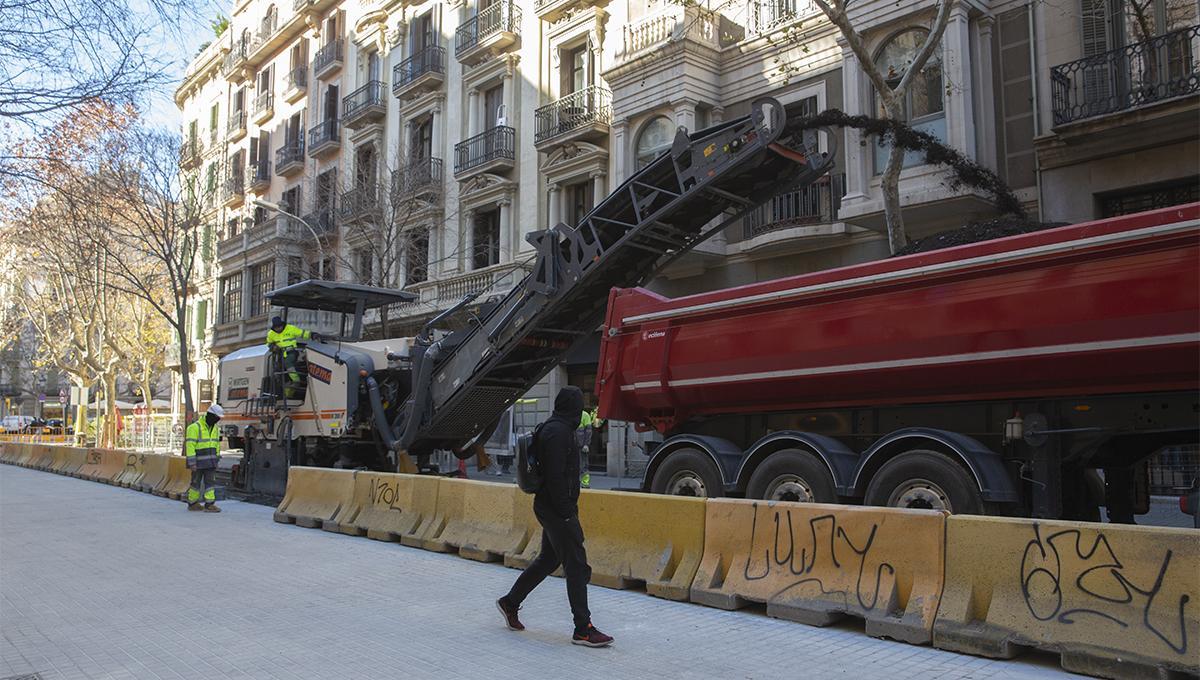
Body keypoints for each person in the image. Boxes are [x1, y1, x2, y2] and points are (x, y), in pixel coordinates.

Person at [496, 386, 613, 647]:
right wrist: (567, 513)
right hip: (557, 508)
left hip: (549, 506)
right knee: (577, 565)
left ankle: (510, 602)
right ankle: (583, 629)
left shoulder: (552, 427)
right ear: (573, 407)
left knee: (549, 559)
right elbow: (556, 477)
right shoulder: (559, 433)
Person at [185, 404, 224, 513]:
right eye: (216, 417)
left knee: (210, 483)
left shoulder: (216, 429)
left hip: (210, 462)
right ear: (210, 415)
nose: (217, 420)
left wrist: (216, 459)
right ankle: (192, 503)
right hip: (198, 462)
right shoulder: (194, 428)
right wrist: (192, 463)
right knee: (195, 483)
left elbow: (216, 444)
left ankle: (209, 504)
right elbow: (190, 446)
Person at [266, 316, 319, 396]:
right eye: (276, 327)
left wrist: (312, 335)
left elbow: (302, 333)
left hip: (292, 352)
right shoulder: (271, 334)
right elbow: (269, 343)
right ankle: (288, 393)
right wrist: (273, 347)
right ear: (274, 327)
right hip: (281, 354)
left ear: (282, 325)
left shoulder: (290, 328)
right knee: (279, 371)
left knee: (288, 362)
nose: (278, 329)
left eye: (279, 326)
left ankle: (296, 380)